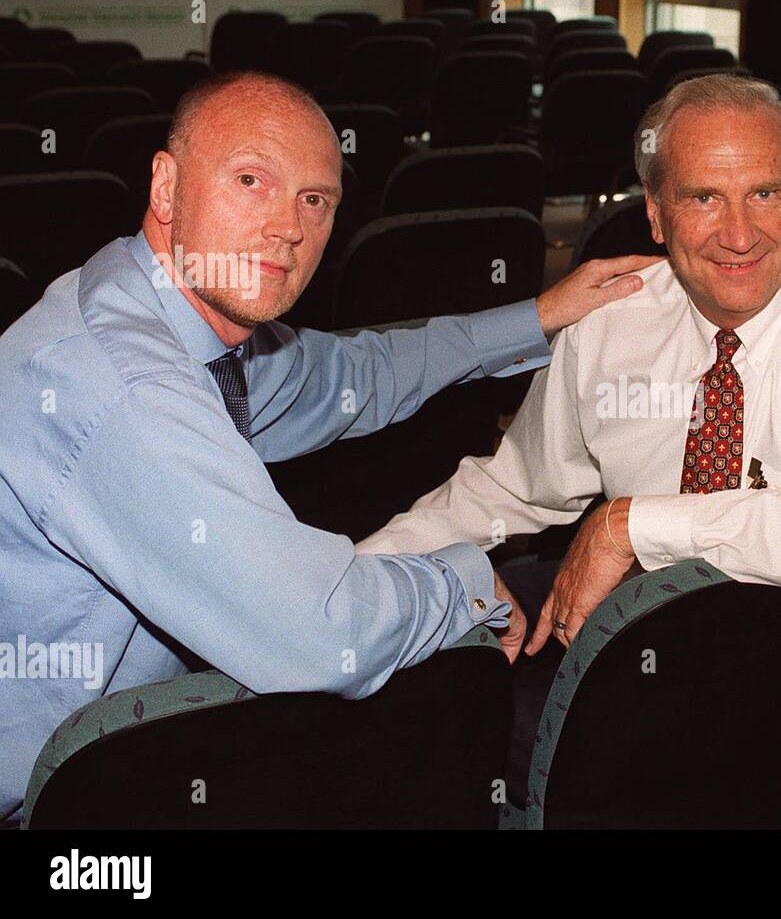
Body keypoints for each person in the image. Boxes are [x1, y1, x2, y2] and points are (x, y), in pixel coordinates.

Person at [0, 71, 656, 823]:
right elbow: (318, 629)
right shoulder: (125, 389)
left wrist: (539, 314)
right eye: (252, 179)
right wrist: (463, 582)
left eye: (315, 200)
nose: (288, 225)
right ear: (166, 186)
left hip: (121, 748)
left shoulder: (169, 309)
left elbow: (357, 374)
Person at [357, 73, 781, 805]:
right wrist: (358, 574)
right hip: (629, 642)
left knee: (484, 745)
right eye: (704, 197)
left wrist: (631, 524)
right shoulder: (613, 323)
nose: (740, 235)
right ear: (655, 214)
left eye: (765, 193)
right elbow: (513, 486)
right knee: (419, 694)